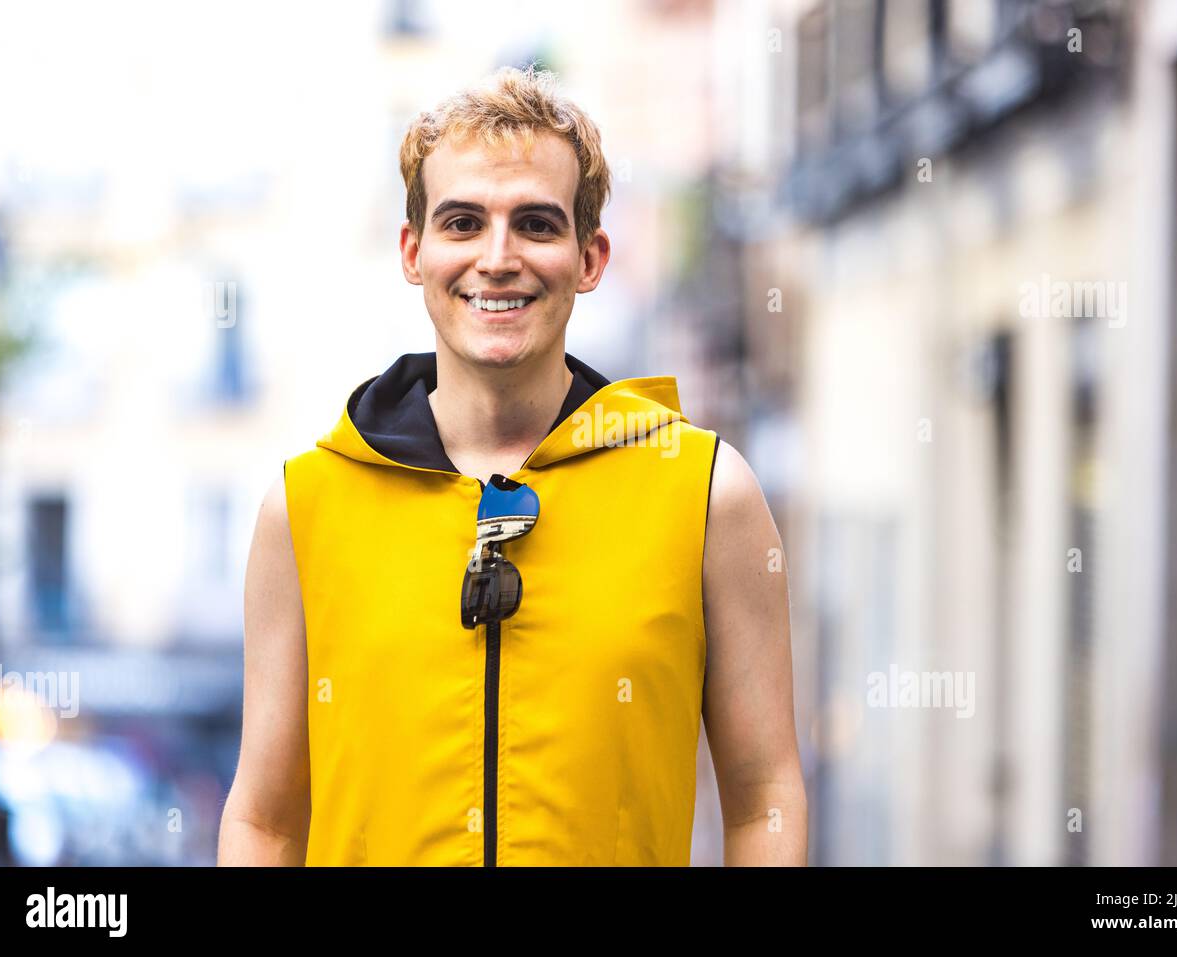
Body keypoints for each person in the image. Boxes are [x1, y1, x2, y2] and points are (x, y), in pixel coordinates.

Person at [217, 65, 806, 866]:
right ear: (412, 251)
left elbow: (765, 795)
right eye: (462, 223)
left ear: (591, 257)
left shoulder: (707, 494)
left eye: (535, 223)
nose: (498, 258)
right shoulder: (303, 506)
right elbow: (264, 820)